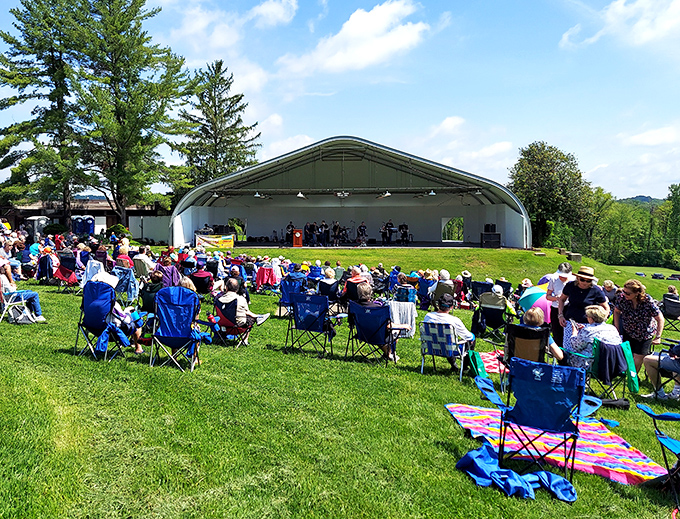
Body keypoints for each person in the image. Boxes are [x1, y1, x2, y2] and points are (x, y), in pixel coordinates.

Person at [613, 279, 664, 372]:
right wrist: (616, 328)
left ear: (637, 293)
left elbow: (660, 318)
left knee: (638, 357)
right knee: (628, 355)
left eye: (628, 293)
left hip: (645, 333)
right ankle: (628, 374)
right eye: (624, 291)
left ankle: (633, 378)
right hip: (628, 330)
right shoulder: (622, 298)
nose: (624, 294)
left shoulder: (647, 300)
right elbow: (616, 311)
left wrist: (658, 336)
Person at [550, 305, 621, 368]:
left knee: (566, 353)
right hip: (613, 363)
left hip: (594, 365)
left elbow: (575, 346)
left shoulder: (588, 330)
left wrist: (574, 333)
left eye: (587, 316)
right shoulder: (612, 328)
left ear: (591, 318)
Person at [557, 266, 609, 351]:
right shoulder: (570, 285)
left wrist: (601, 322)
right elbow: (562, 299)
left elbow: (606, 307)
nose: (585, 282)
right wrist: (560, 315)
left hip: (588, 325)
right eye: (582, 279)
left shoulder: (596, 290)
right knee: (568, 348)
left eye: (588, 281)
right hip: (571, 322)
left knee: (585, 350)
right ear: (577, 278)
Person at [355, 282, 408, 362]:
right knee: (396, 330)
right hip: (377, 336)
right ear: (370, 293)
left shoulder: (354, 306)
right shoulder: (378, 308)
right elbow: (388, 326)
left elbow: (351, 322)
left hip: (361, 334)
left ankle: (388, 354)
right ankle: (390, 353)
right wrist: (403, 326)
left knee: (380, 331)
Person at [422, 293, 475, 369]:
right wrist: (473, 337)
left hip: (432, 348)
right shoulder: (454, 320)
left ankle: (453, 364)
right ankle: (464, 367)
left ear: (438, 305)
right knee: (470, 339)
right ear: (452, 307)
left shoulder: (428, 316)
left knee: (447, 339)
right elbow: (468, 337)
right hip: (449, 349)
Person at [215, 278, 270, 345]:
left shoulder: (218, 299)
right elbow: (246, 311)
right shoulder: (240, 299)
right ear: (237, 289)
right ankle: (245, 340)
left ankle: (258, 317)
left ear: (226, 288)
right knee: (250, 318)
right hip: (237, 327)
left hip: (222, 326)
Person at [545, 262, 574, 348]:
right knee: (557, 333)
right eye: (561, 276)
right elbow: (548, 296)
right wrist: (556, 298)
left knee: (568, 331)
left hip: (569, 307)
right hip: (556, 307)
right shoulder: (554, 278)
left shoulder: (573, 280)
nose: (563, 278)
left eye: (565, 277)